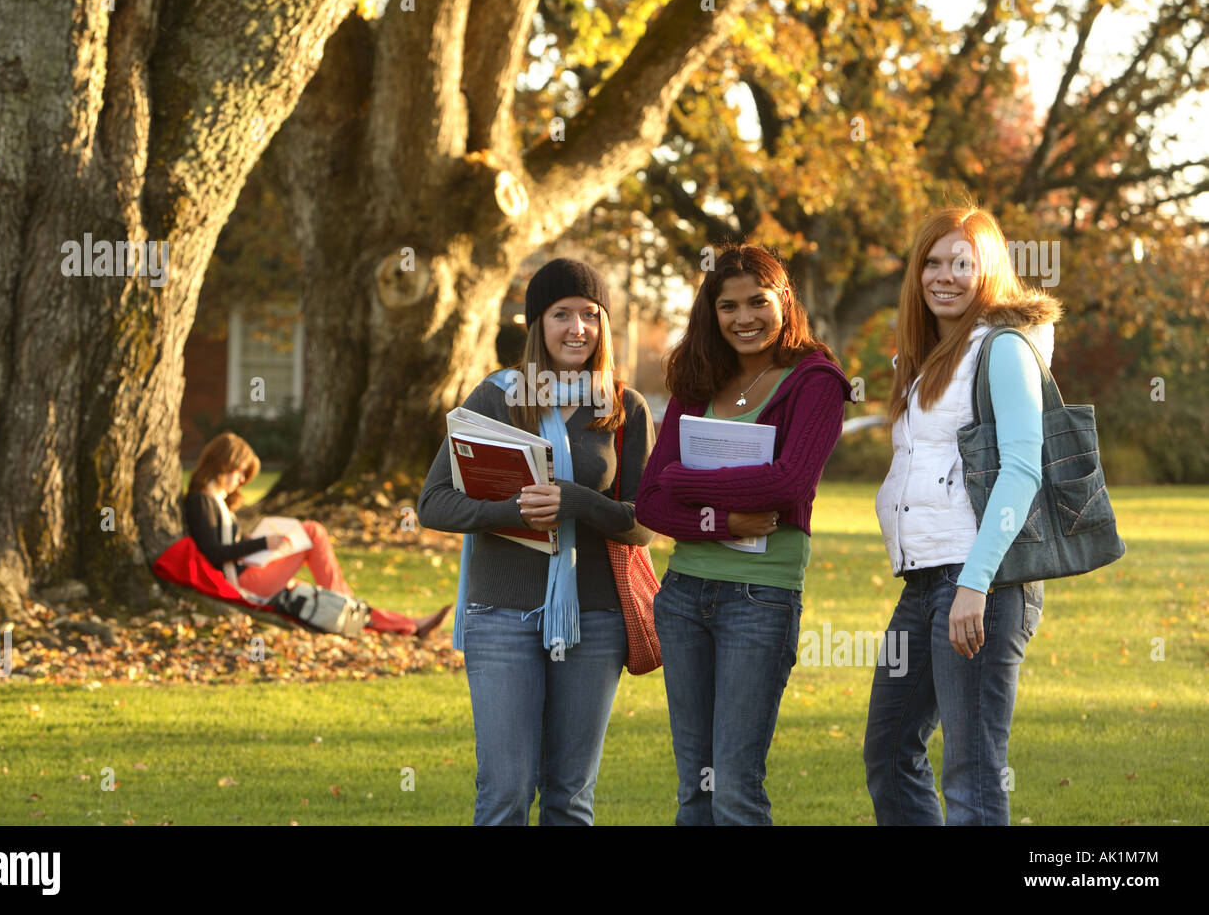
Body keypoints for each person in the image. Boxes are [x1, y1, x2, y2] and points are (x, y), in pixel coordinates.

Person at [417, 258, 655, 825]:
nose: (578, 328)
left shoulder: (625, 407)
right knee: (506, 791)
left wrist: (578, 502)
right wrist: (515, 510)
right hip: (500, 614)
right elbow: (433, 503)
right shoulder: (496, 397)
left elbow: (645, 521)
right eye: (561, 314)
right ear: (535, 324)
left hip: (594, 620)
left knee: (570, 798)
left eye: (590, 315)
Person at [635, 244, 852, 825]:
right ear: (712, 313)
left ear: (784, 300)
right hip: (682, 598)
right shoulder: (698, 379)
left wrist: (688, 480)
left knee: (734, 788)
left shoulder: (816, 380)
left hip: (760, 600)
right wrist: (721, 519)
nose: (744, 318)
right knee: (696, 791)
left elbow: (788, 483)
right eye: (727, 306)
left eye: (758, 301)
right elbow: (653, 500)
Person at [864, 206, 1060, 825]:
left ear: (988, 270)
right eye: (932, 261)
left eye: (961, 263)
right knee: (889, 751)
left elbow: (1022, 468)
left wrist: (975, 582)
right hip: (923, 581)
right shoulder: (928, 358)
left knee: (973, 776)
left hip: (981, 583)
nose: (943, 276)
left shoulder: (1001, 349)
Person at [184, 432, 450, 638]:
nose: (241, 480)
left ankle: (411, 625)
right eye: (239, 472)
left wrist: (256, 544)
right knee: (313, 532)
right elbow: (213, 552)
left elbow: (225, 544)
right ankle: (351, 600)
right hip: (243, 583)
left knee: (325, 599)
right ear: (222, 464)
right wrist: (263, 542)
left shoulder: (218, 502)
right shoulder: (201, 501)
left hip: (250, 573)